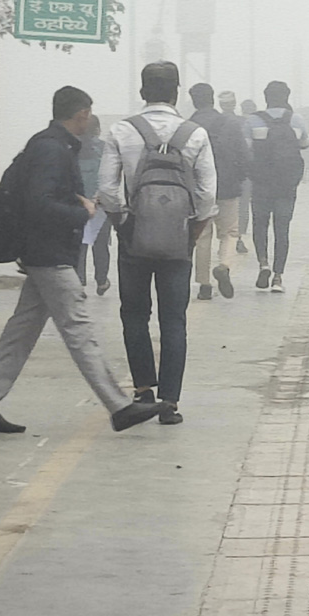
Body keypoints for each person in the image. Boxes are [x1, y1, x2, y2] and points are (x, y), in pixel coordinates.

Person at [0, 87, 164, 433]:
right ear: (83, 114)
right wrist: (82, 211)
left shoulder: (49, 144)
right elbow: (38, 203)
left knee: (20, 331)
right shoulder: (52, 149)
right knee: (78, 328)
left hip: (43, 253)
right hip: (49, 255)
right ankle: (118, 405)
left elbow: (39, 197)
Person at [98, 62, 218, 425]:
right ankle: (170, 402)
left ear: (142, 91)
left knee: (134, 314)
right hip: (177, 238)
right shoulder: (195, 133)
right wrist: (193, 229)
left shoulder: (122, 130)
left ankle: (143, 391)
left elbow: (106, 189)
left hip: (135, 235)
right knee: (173, 319)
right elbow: (208, 193)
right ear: (176, 92)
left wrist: (123, 222)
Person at [245, 80, 309, 294]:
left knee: (260, 225)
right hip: (286, 184)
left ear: (266, 98)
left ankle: (263, 263)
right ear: (287, 97)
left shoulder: (253, 120)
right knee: (282, 230)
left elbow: (246, 149)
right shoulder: (296, 119)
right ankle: (278, 277)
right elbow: (304, 143)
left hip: (261, 183)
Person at [189, 83, 248, 300]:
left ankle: (204, 285)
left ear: (193, 101)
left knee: (202, 236)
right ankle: (224, 265)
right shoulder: (230, 123)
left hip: (199, 188)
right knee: (230, 232)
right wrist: (240, 178)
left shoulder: (188, 125)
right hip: (227, 185)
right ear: (212, 99)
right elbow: (243, 153)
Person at [76, 114, 112, 295]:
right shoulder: (104, 149)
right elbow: (110, 176)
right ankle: (102, 280)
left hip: (77, 203)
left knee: (79, 243)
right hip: (100, 204)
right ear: (98, 130)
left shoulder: (72, 148)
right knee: (101, 244)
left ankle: (79, 281)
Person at [236, 97, 257, 252]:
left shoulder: (234, 123)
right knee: (247, 204)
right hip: (253, 169)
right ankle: (242, 231)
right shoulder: (257, 123)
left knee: (238, 203)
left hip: (236, 168)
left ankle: (236, 236)